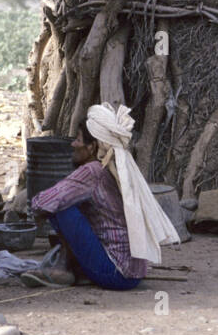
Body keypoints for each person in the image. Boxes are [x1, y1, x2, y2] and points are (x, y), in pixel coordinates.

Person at [28, 103, 180, 290]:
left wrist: (40, 213)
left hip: (115, 274)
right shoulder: (117, 167)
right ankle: (72, 266)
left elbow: (42, 202)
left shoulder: (92, 171)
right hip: (134, 273)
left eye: (78, 139)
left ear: (92, 147)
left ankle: (63, 267)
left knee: (62, 208)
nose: (73, 144)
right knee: (69, 203)